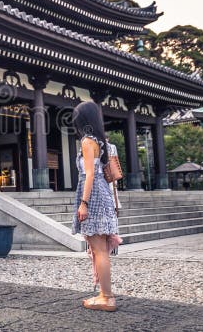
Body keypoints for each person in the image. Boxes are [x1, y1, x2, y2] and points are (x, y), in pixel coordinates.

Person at [71, 101, 122, 312]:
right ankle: (105, 294)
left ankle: (106, 297)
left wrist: (84, 203)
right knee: (101, 249)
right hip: (103, 192)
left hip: (92, 194)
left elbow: (89, 174)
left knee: (99, 249)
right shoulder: (102, 142)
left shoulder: (86, 141)